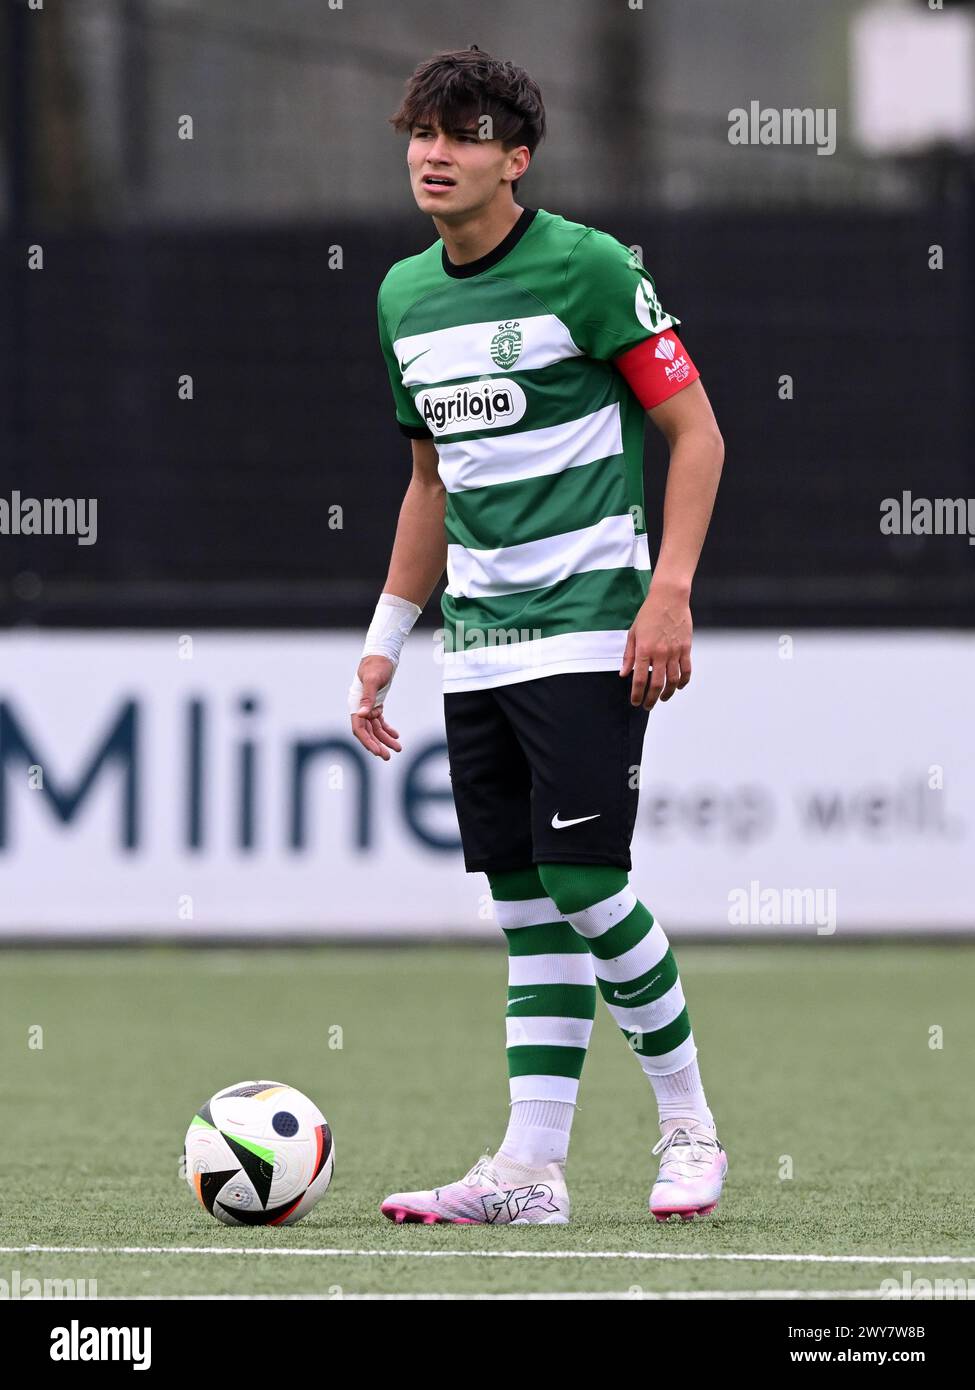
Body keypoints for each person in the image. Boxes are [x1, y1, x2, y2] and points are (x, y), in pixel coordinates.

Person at [349, 46, 726, 1225]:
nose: (435, 154)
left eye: (463, 135)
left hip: (588, 629)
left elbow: (699, 434)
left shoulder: (590, 267)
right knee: (525, 907)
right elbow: (430, 485)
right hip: (477, 645)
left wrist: (669, 592)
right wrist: (387, 635)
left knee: (586, 881)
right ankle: (528, 1172)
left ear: (516, 159)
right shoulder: (402, 297)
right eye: (423, 133)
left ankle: (690, 1128)